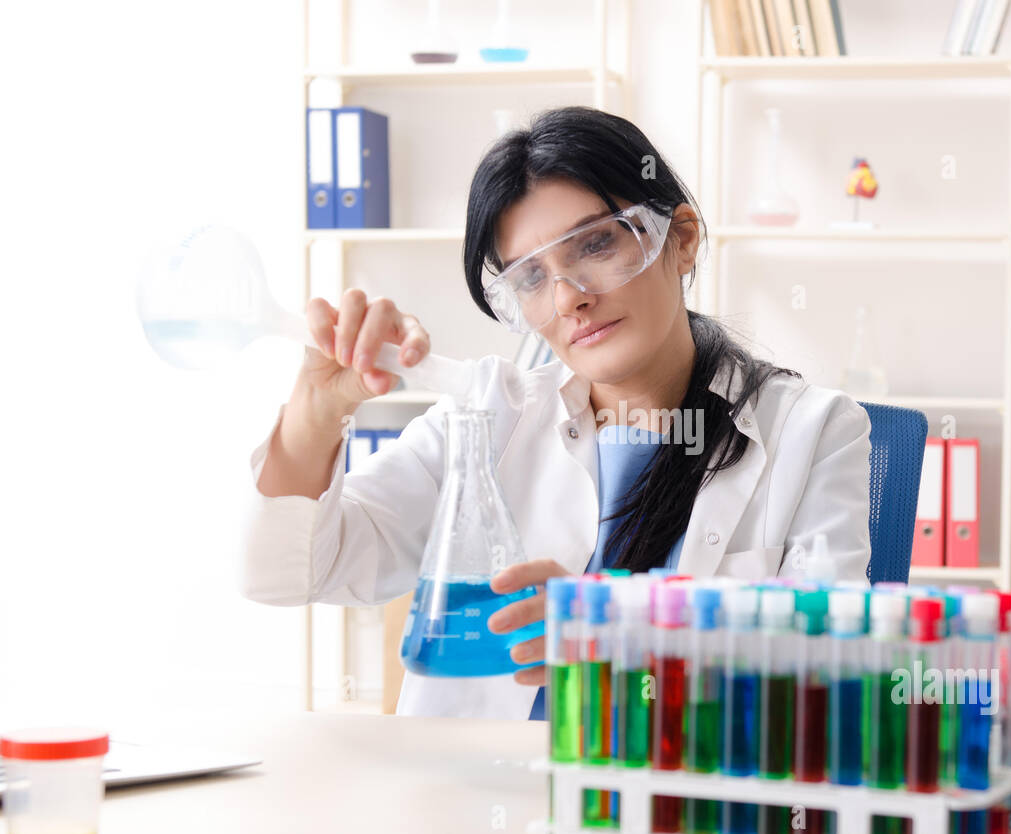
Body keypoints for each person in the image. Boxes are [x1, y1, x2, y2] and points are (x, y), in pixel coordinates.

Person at [239, 106, 870, 720]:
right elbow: (284, 576)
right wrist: (318, 412)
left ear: (680, 240)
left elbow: (834, 675)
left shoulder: (812, 432)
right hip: (470, 806)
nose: (569, 297)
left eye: (596, 244)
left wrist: (613, 628)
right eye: (531, 278)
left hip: (680, 805)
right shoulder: (487, 415)